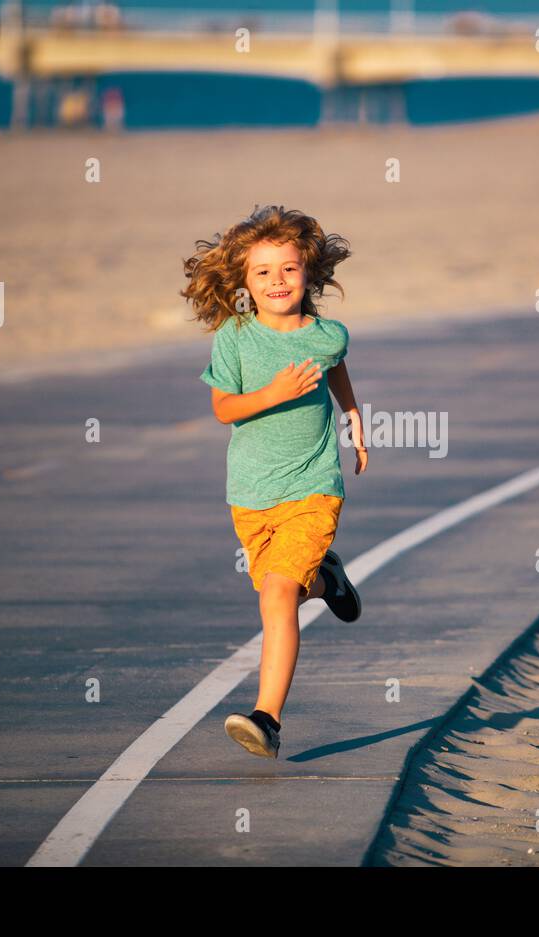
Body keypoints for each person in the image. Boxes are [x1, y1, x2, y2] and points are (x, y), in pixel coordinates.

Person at [182, 204, 368, 759]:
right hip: (251, 495)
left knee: (276, 597)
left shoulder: (327, 334)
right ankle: (328, 581)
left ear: (308, 271)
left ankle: (267, 718)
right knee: (280, 592)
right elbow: (224, 409)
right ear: (243, 281)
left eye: (288, 269)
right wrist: (275, 394)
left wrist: (353, 413)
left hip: (313, 486)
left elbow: (334, 362)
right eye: (262, 272)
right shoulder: (235, 338)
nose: (277, 281)